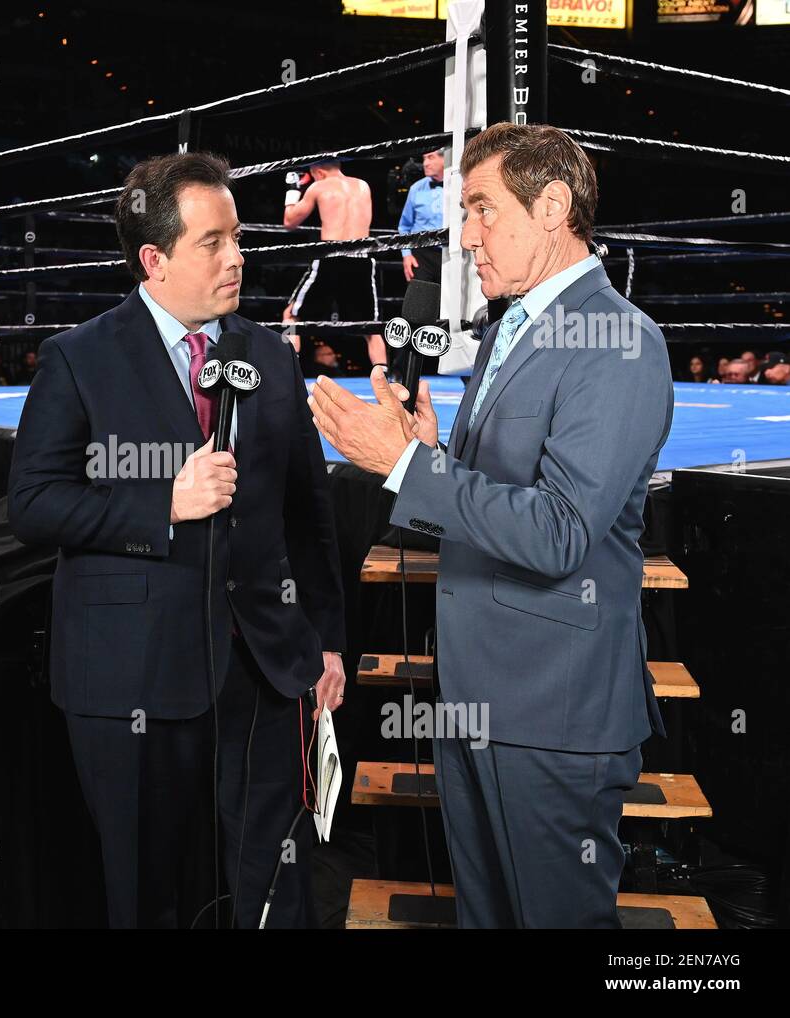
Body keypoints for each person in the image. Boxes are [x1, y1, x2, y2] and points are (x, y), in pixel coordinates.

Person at [310, 122, 673, 928]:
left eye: (480, 209)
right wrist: (429, 454)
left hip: (552, 720)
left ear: (552, 207)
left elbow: (556, 533)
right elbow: (485, 506)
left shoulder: (618, 342)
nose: (465, 235)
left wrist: (407, 467)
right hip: (478, 701)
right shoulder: (515, 324)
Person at [8, 151, 346, 929]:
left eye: (237, 237)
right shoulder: (78, 357)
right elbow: (33, 503)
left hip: (264, 669)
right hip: (131, 673)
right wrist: (164, 502)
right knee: (146, 890)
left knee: (273, 885)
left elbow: (308, 512)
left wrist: (325, 639)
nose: (237, 257)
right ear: (154, 260)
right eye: (214, 242)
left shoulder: (267, 356)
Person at [281, 159, 387, 375]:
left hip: (331, 258)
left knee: (291, 315)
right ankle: (384, 375)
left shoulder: (319, 186)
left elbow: (289, 221)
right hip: (361, 258)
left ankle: (287, 368)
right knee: (371, 327)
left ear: (318, 171)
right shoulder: (363, 185)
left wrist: (293, 190)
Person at [399, 147, 446, 284]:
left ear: (445, 158)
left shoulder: (461, 185)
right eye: (424, 159)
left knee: (451, 303)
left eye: (431, 157)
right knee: (420, 301)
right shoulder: (416, 189)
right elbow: (404, 226)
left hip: (452, 254)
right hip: (421, 254)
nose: (425, 163)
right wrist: (406, 255)